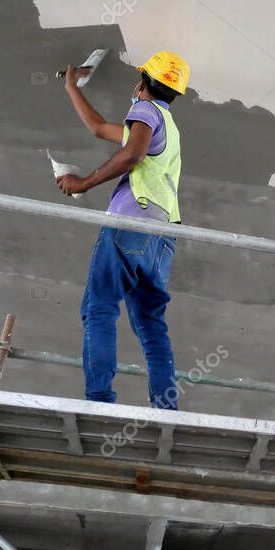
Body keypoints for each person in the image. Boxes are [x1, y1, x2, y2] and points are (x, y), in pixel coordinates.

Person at [57, 51, 189, 409]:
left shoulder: (145, 110)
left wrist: (83, 183)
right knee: (150, 325)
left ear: (142, 82)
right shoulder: (168, 127)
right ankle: (166, 409)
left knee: (99, 308)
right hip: (161, 239)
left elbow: (131, 155)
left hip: (130, 226)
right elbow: (100, 128)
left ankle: (99, 401)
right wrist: (72, 86)